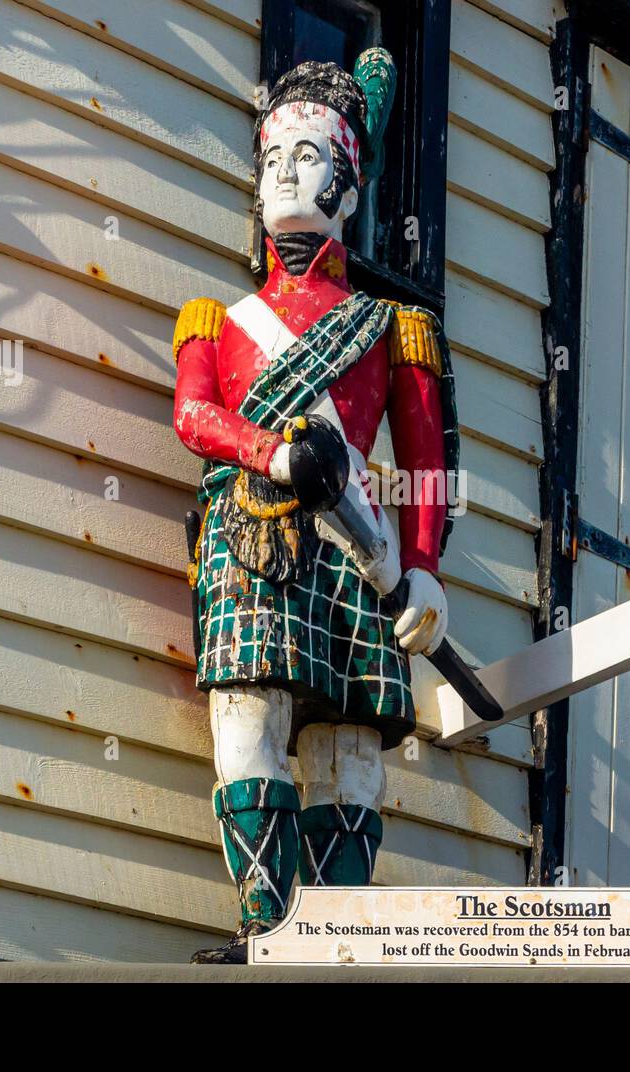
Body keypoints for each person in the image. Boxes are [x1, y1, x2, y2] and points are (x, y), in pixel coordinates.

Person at [172, 52, 459, 963]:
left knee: (347, 746)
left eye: (309, 154)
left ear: (351, 178)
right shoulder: (215, 322)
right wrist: (272, 451)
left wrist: (422, 565)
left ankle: (332, 939)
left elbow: (423, 460)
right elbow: (193, 415)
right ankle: (265, 923)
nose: (287, 173)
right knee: (247, 717)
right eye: (273, 158)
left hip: (354, 551)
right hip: (251, 530)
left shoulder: (392, 326)